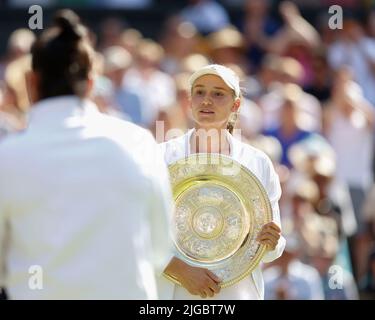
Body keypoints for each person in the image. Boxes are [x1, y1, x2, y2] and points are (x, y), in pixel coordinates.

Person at [0, 10, 173, 299]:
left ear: (31, 82)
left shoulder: (7, 157)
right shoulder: (139, 143)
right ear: (91, 83)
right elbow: (160, 248)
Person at [160, 64, 285, 300]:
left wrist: (272, 242)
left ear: (235, 105)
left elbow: (270, 247)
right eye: (199, 92)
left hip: (236, 293)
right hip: (173, 294)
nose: (207, 100)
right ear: (190, 100)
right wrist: (180, 270)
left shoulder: (257, 162)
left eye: (218, 93)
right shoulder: (159, 157)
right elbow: (138, 230)